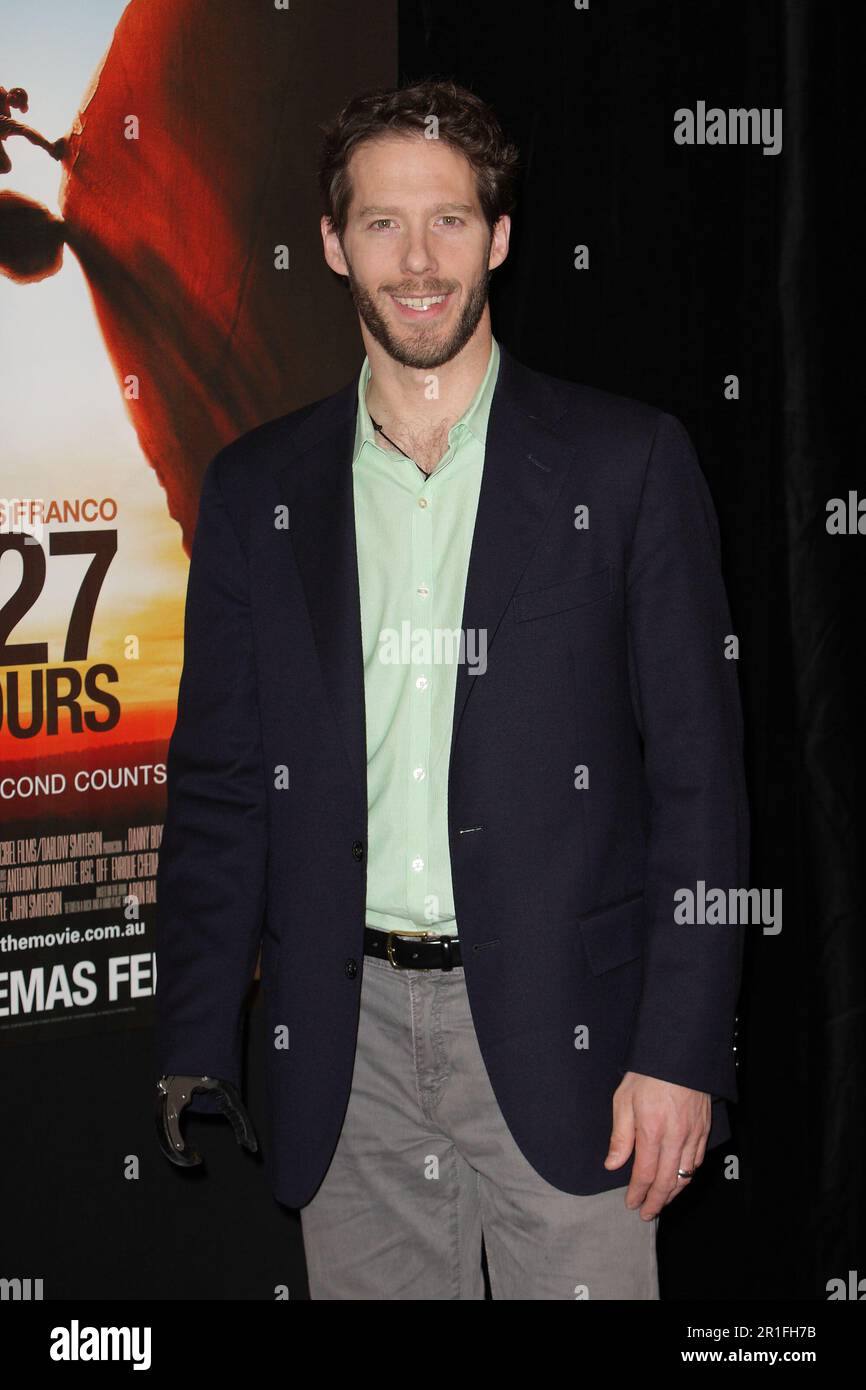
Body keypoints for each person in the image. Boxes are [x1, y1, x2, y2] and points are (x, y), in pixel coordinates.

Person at [155, 78, 749, 1300]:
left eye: (449, 221)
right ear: (331, 242)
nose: (417, 260)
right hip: (344, 1043)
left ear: (500, 236)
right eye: (381, 223)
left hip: (571, 1041)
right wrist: (197, 1027)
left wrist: (681, 1051)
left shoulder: (625, 461)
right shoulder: (257, 489)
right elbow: (220, 785)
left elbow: (699, 780)